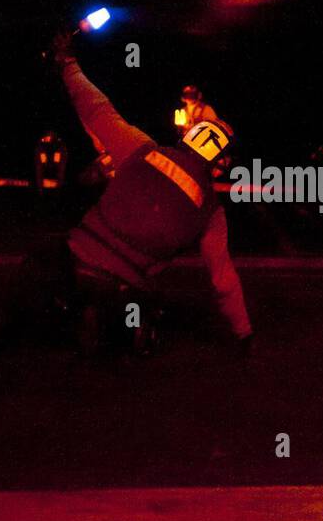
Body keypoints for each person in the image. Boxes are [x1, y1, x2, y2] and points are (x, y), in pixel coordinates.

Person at [41, 29, 253, 352]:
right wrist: (244, 333)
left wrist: (68, 65)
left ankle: (67, 306)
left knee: (58, 266)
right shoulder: (211, 210)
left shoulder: (143, 148)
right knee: (144, 315)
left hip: (76, 257)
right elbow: (222, 279)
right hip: (124, 283)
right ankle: (128, 326)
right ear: (219, 161)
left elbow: (97, 107)